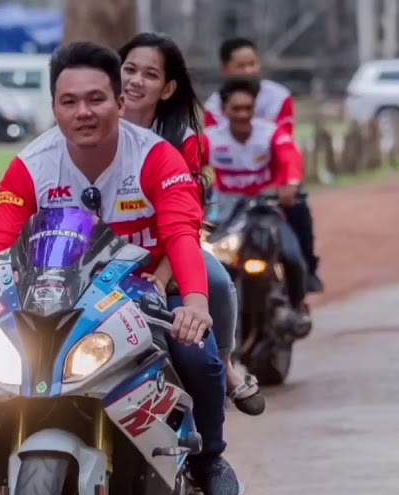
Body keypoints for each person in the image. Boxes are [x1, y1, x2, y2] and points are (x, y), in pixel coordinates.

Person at [0, 42, 244, 495]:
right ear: (55, 108)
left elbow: (182, 235)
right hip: (61, 292)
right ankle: (5, 445)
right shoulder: (28, 167)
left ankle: (210, 460)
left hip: (148, 290)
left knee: (199, 358)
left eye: (96, 99)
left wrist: (196, 304)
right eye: (69, 101)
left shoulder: (157, 158)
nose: (83, 112)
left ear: (120, 102)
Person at [118, 32, 266, 416]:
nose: (135, 80)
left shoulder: (183, 140)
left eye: (149, 75)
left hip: (170, 246)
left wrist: (164, 272)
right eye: (128, 69)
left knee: (215, 280)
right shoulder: (94, 128)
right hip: (106, 259)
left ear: (167, 89)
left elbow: (188, 219)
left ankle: (228, 365)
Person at [203, 37, 323, 292]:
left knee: (297, 224)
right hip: (227, 201)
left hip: (271, 193)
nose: (242, 116)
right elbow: (201, 156)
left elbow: (286, 149)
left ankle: (307, 271)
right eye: (240, 65)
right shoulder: (213, 112)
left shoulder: (277, 104)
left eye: (252, 64)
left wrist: (288, 184)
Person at [205, 77, 312, 332]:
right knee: (209, 262)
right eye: (236, 109)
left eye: (248, 109)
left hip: (266, 212)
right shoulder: (210, 139)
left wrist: (291, 184)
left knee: (292, 256)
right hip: (226, 217)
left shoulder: (271, 133)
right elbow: (187, 167)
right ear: (224, 111)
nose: (243, 115)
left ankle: (298, 308)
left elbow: (290, 161)